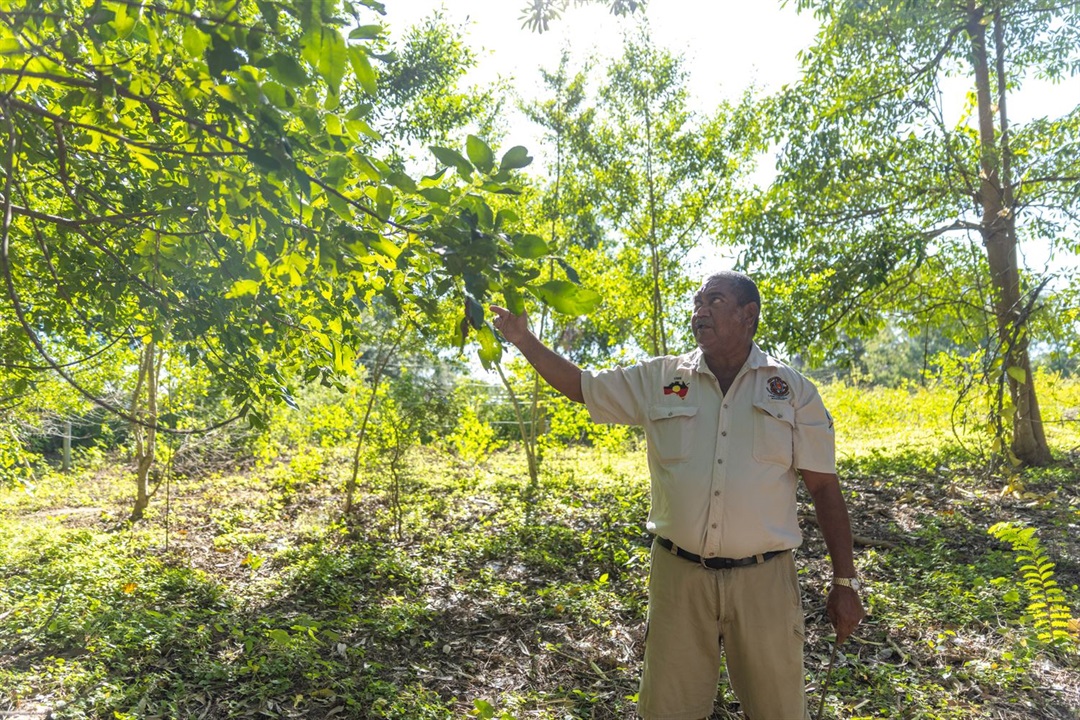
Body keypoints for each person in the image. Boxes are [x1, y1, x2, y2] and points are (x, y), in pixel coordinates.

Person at [490, 270, 865, 720]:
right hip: (679, 578)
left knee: (778, 710)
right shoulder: (662, 378)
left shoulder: (792, 391)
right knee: (668, 710)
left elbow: (824, 487)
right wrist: (522, 339)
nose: (699, 311)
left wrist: (845, 581)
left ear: (749, 315)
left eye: (715, 301)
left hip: (764, 583)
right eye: (696, 302)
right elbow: (581, 387)